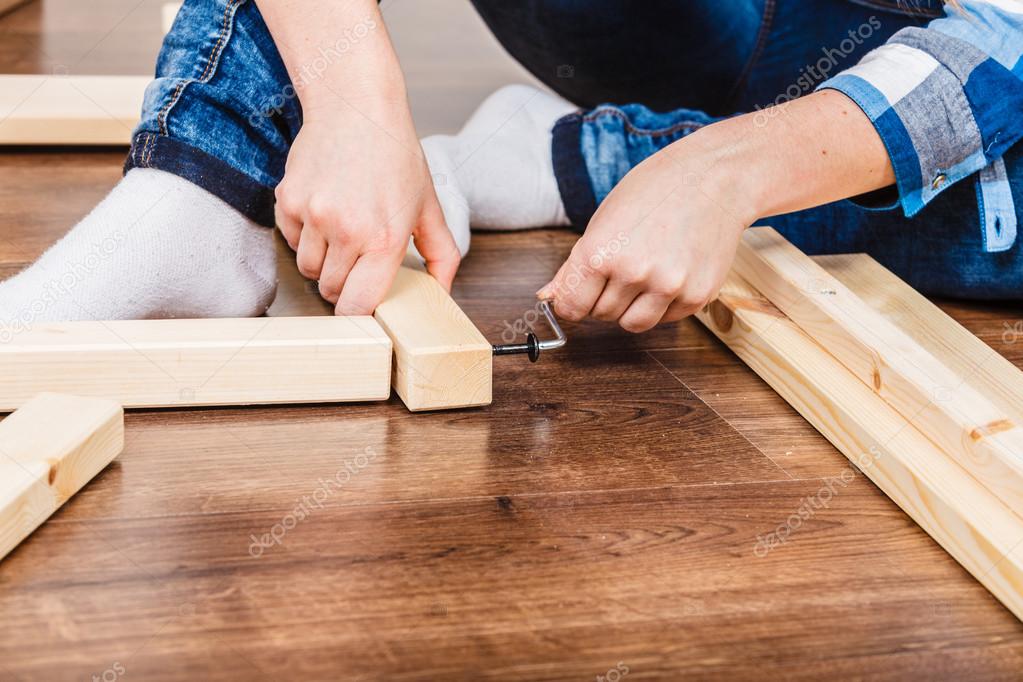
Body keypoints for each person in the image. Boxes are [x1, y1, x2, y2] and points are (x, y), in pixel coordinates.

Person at [1, 0, 1019, 336]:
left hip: (902, 46)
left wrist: (728, 169)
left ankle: (569, 155)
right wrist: (352, 100)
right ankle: (195, 190)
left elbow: (1002, 43)